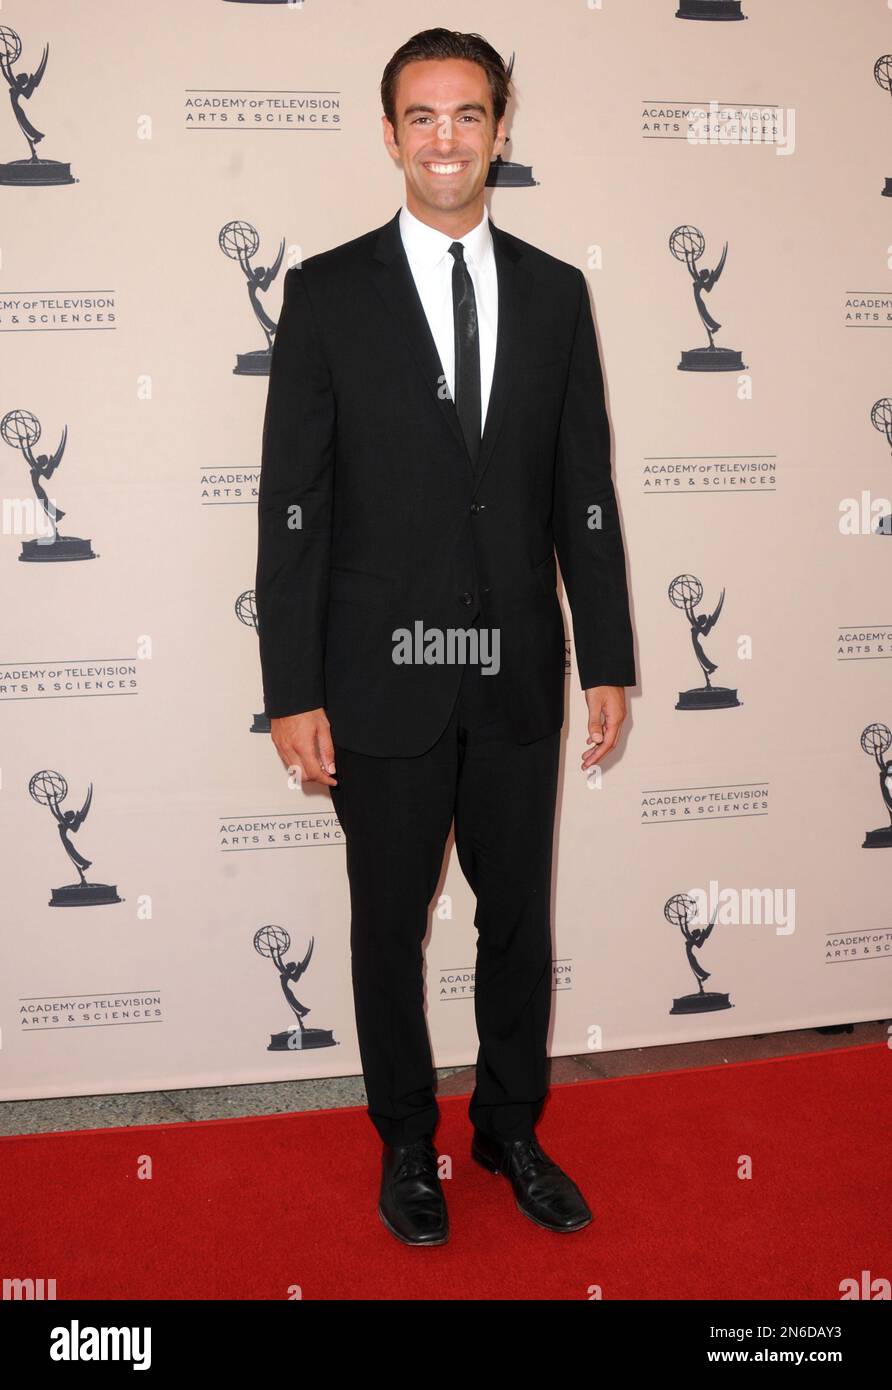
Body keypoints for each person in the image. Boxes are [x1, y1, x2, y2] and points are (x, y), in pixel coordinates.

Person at [255, 27, 636, 1247]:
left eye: (468, 115)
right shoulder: (324, 293)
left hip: (519, 668)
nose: (445, 139)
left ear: (501, 128)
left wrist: (613, 652)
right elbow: (294, 505)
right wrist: (290, 686)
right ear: (388, 134)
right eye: (422, 117)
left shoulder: (555, 293)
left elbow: (584, 487)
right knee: (387, 925)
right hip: (381, 676)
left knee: (518, 917)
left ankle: (511, 1129)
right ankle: (408, 1144)